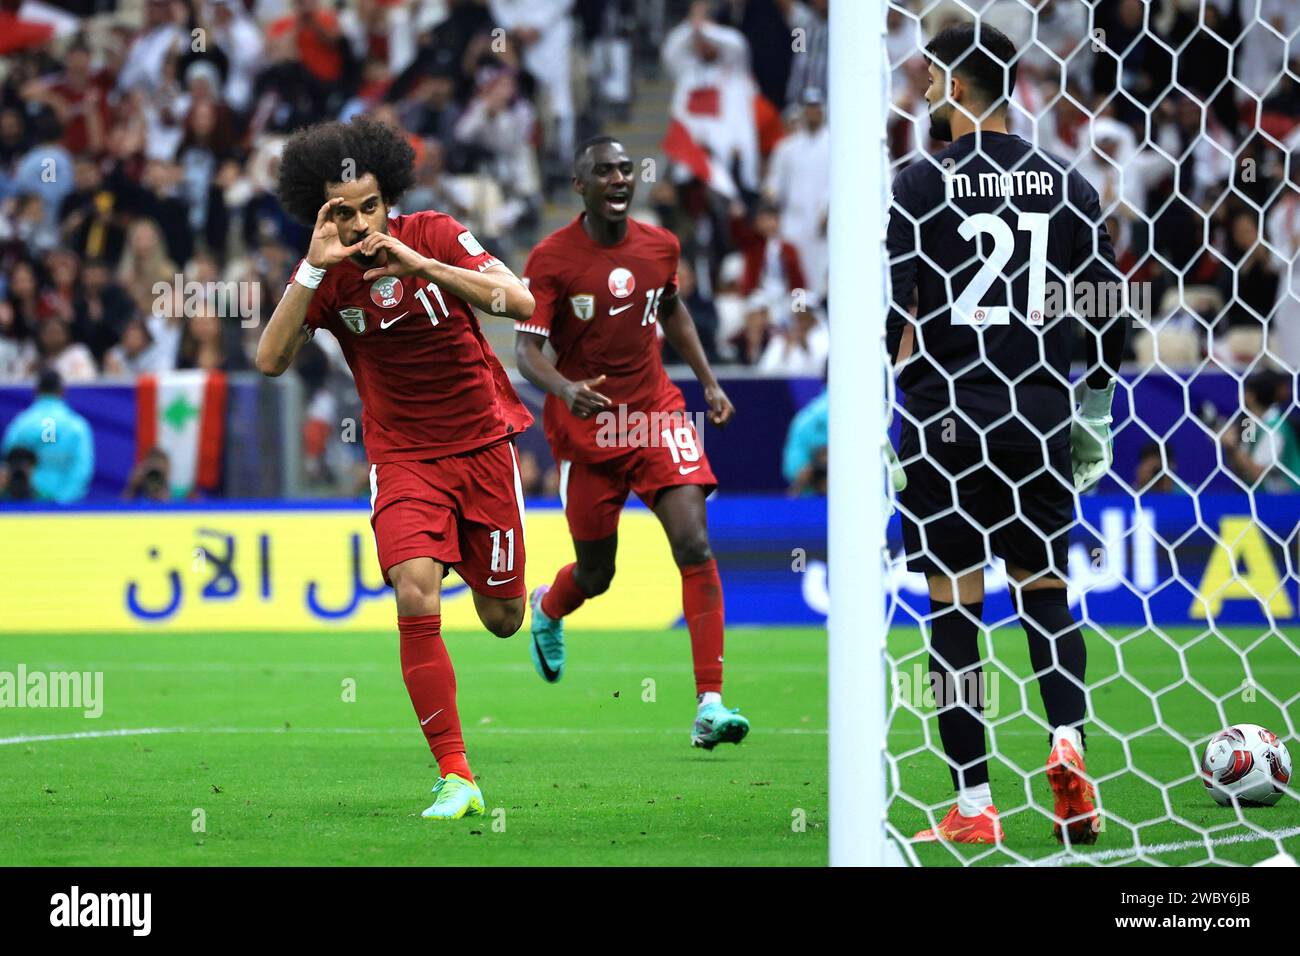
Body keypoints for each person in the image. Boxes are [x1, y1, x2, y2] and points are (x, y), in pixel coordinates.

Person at [888, 24, 1128, 847]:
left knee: (954, 610)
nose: (921, 92)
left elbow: (894, 311)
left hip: (945, 420)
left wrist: (885, 413)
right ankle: (1068, 746)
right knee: (1046, 595)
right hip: (1035, 418)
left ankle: (975, 805)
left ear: (958, 87)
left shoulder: (919, 184)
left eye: (928, 78)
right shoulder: (1066, 183)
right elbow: (1106, 314)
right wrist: (1092, 414)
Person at [255, 116, 536, 820]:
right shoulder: (323, 275)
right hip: (403, 456)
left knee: (503, 618)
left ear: (391, 199)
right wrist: (313, 265)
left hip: (482, 447)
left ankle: (510, 581)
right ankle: (457, 775)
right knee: (415, 589)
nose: (358, 223)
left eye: (369, 206)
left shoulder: (435, 233)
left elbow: (523, 300)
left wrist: (422, 266)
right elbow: (269, 360)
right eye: (340, 211)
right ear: (320, 213)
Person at [514, 135, 750, 750]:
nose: (620, 179)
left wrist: (708, 381)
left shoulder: (660, 246)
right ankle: (550, 606)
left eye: (625, 169)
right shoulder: (551, 258)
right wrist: (565, 389)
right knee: (597, 575)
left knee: (695, 543)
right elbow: (526, 351)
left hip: (654, 416)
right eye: (604, 171)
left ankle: (710, 703)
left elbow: (671, 310)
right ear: (580, 186)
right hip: (588, 430)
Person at [1, 368, 95, 503]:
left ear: (36, 391)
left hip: (29, 508)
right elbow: (83, 468)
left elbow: (8, 464)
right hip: (67, 508)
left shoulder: (21, 425)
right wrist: (64, 501)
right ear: (62, 391)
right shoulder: (77, 426)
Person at [1221, 371, 1300, 492]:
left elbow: (1258, 474)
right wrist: (1229, 448)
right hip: (1256, 496)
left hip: (1286, 499)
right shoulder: (1249, 422)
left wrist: (1233, 447)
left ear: (1250, 397)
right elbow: (1241, 467)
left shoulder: (1276, 427)